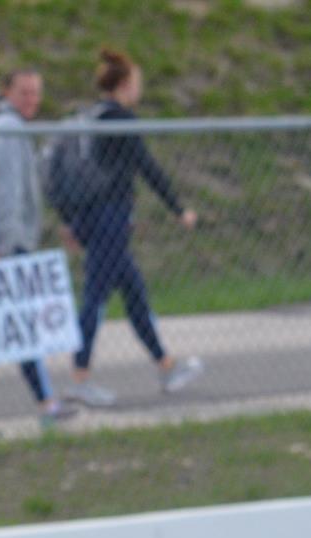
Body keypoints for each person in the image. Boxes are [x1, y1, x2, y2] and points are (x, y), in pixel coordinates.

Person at [58, 48, 204, 406]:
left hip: (96, 219)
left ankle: (166, 366)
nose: (139, 90)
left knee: (135, 293)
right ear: (125, 85)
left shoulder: (89, 118)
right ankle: (80, 376)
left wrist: (73, 222)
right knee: (95, 298)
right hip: (110, 219)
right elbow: (147, 168)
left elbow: (76, 174)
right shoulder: (120, 120)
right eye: (137, 83)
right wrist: (178, 208)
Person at [0, 71, 77, 435]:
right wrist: (7, 247)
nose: (32, 100)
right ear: (7, 92)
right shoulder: (7, 129)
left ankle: (46, 404)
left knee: (16, 327)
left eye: (37, 93)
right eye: (24, 92)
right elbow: (5, 190)